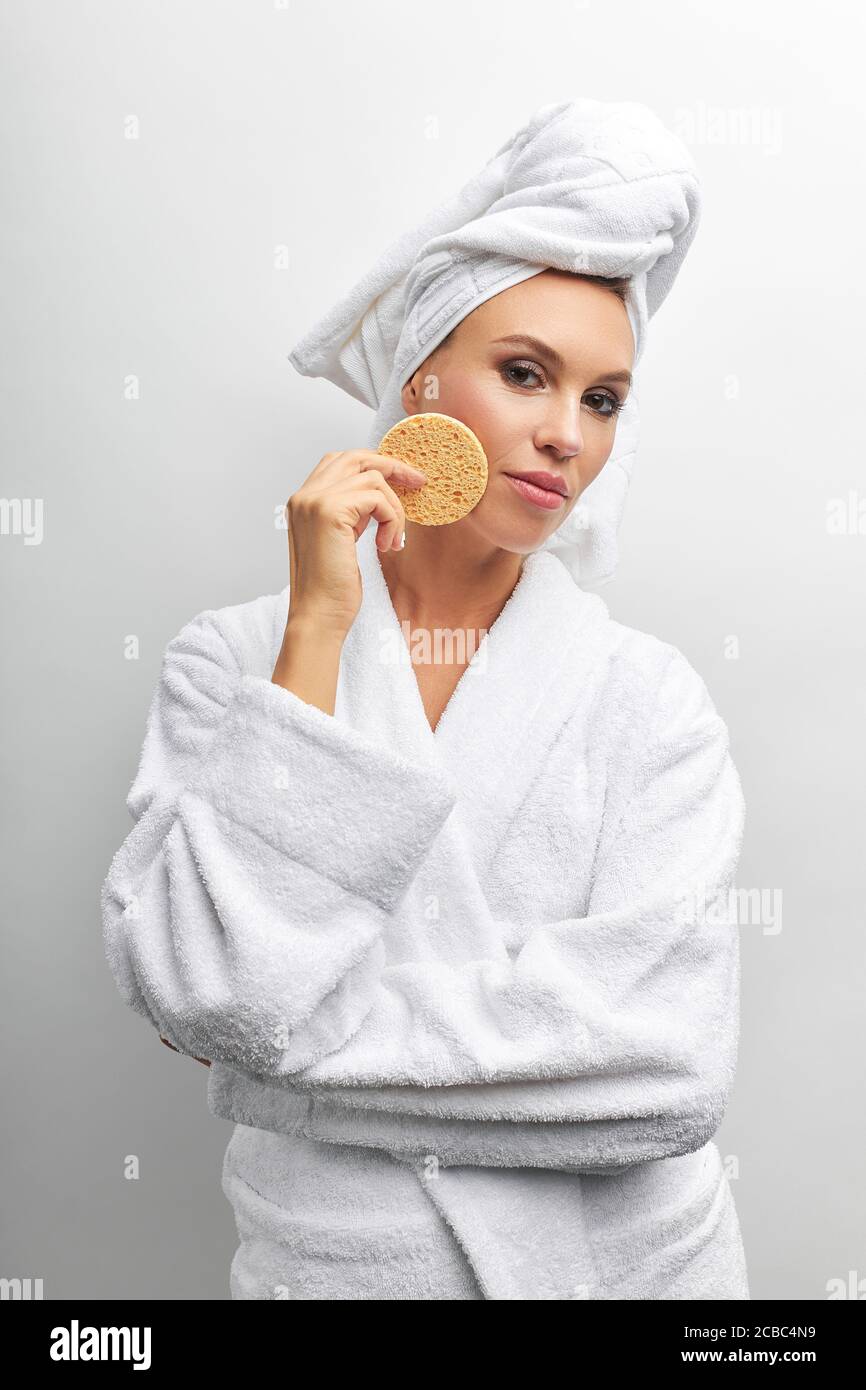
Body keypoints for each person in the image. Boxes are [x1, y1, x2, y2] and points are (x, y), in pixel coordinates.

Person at [102, 98, 750, 1300]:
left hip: (628, 1279)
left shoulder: (649, 701)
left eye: (601, 399)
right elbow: (215, 986)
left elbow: (666, 1068)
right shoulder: (230, 662)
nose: (564, 435)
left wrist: (280, 1064)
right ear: (422, 375)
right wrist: (315, 629)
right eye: (523, 374)